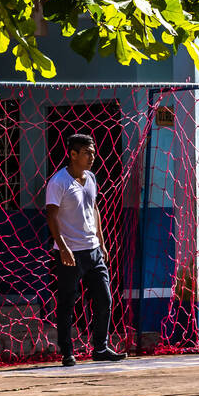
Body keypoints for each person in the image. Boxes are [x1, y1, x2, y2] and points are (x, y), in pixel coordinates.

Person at [45, 134, 124, 366]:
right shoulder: (58, 182)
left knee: (105, 298)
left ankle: (100, 347)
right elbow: (51, 216)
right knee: (68, 303)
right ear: (73, 154)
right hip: (70, 253)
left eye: (93, 152)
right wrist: (63, 247)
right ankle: (66, 352)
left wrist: (101, 240)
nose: (92, 157)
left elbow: (94, 208)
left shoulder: (90, 178)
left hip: (93, 250)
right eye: (88, 153)